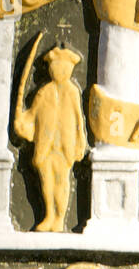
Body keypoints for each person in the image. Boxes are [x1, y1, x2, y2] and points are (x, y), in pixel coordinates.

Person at [14, 45, 88, 232]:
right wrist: (21, 121)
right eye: (56, 68)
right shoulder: (44, 91)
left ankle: (60, 218)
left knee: (61, 180)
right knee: (46, 180)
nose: (60, 72)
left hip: (64, 145)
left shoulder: (72, 92)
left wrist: (80, 142)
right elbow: (32, 114)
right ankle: (49, 214)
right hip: (45, 145)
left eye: (64, 68)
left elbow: (79, 120)